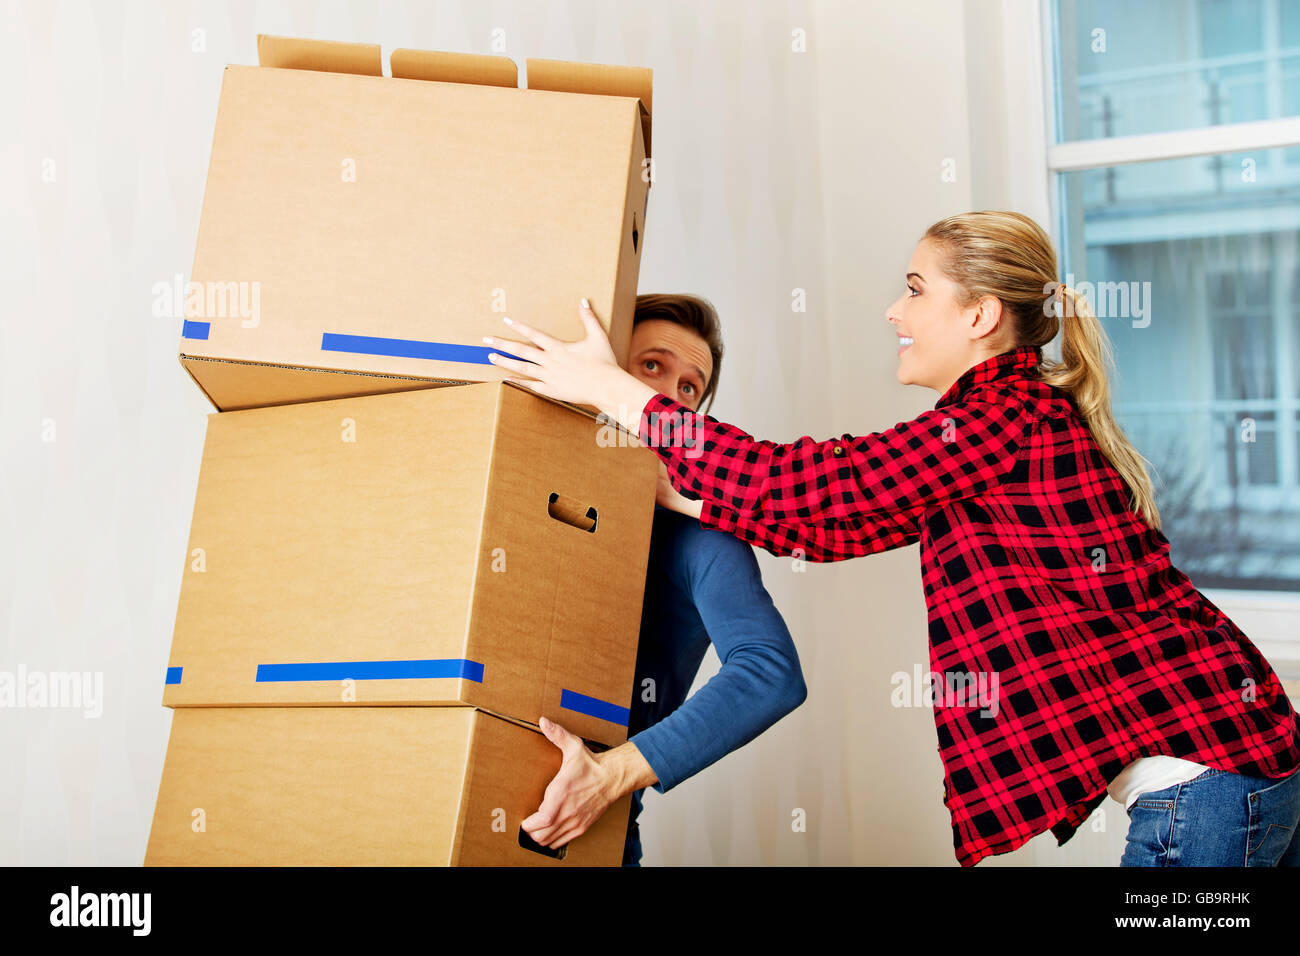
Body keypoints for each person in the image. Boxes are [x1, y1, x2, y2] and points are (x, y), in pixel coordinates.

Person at [485, 210, 1300, 867]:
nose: (893, 310)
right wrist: (691, 497)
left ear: (979, 315)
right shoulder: (1000, 422)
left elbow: (807, 487)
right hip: (1236, 764)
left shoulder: (999, 419)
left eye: (914, 290)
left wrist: (612, 390)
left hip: (1207, 784)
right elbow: (837, 522)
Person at [512, 293, 807, 864]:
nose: (667, 397)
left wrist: (611, 773)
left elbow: (770, 674)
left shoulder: (700, 533)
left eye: (690, 388)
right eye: (651, 367)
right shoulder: (522, 481)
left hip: (583, 841)